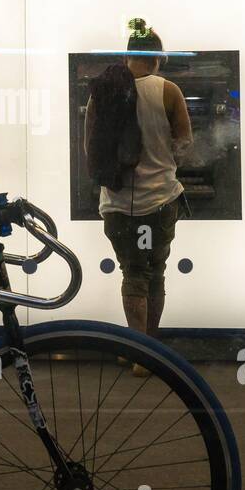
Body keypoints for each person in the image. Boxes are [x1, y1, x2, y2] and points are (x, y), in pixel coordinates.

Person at [84, 19, 191, 374]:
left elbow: (90, 150)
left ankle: (136, 351)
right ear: (157, 58)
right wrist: (167, 158)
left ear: (126, 56)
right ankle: (149, 351)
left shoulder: (102, 92)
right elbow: (185, 144)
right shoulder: (169, 91)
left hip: (117, 203)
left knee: (132, 272)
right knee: (154, 272)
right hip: (159, 200)